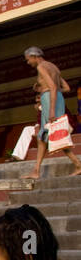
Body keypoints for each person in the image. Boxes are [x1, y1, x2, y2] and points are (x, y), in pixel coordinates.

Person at [23, 46, 81, 178]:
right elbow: (66, 88)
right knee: (49, 135)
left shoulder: (41, 67)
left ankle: (77, 165)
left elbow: (53, 87)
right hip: (57, 98)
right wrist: (43, 88)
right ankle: (36, 171)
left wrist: (51, 110)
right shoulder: (53, 67)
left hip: (50, 100)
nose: (28, 62)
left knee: (51, 134)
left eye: (28, 59)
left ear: (34, 56)